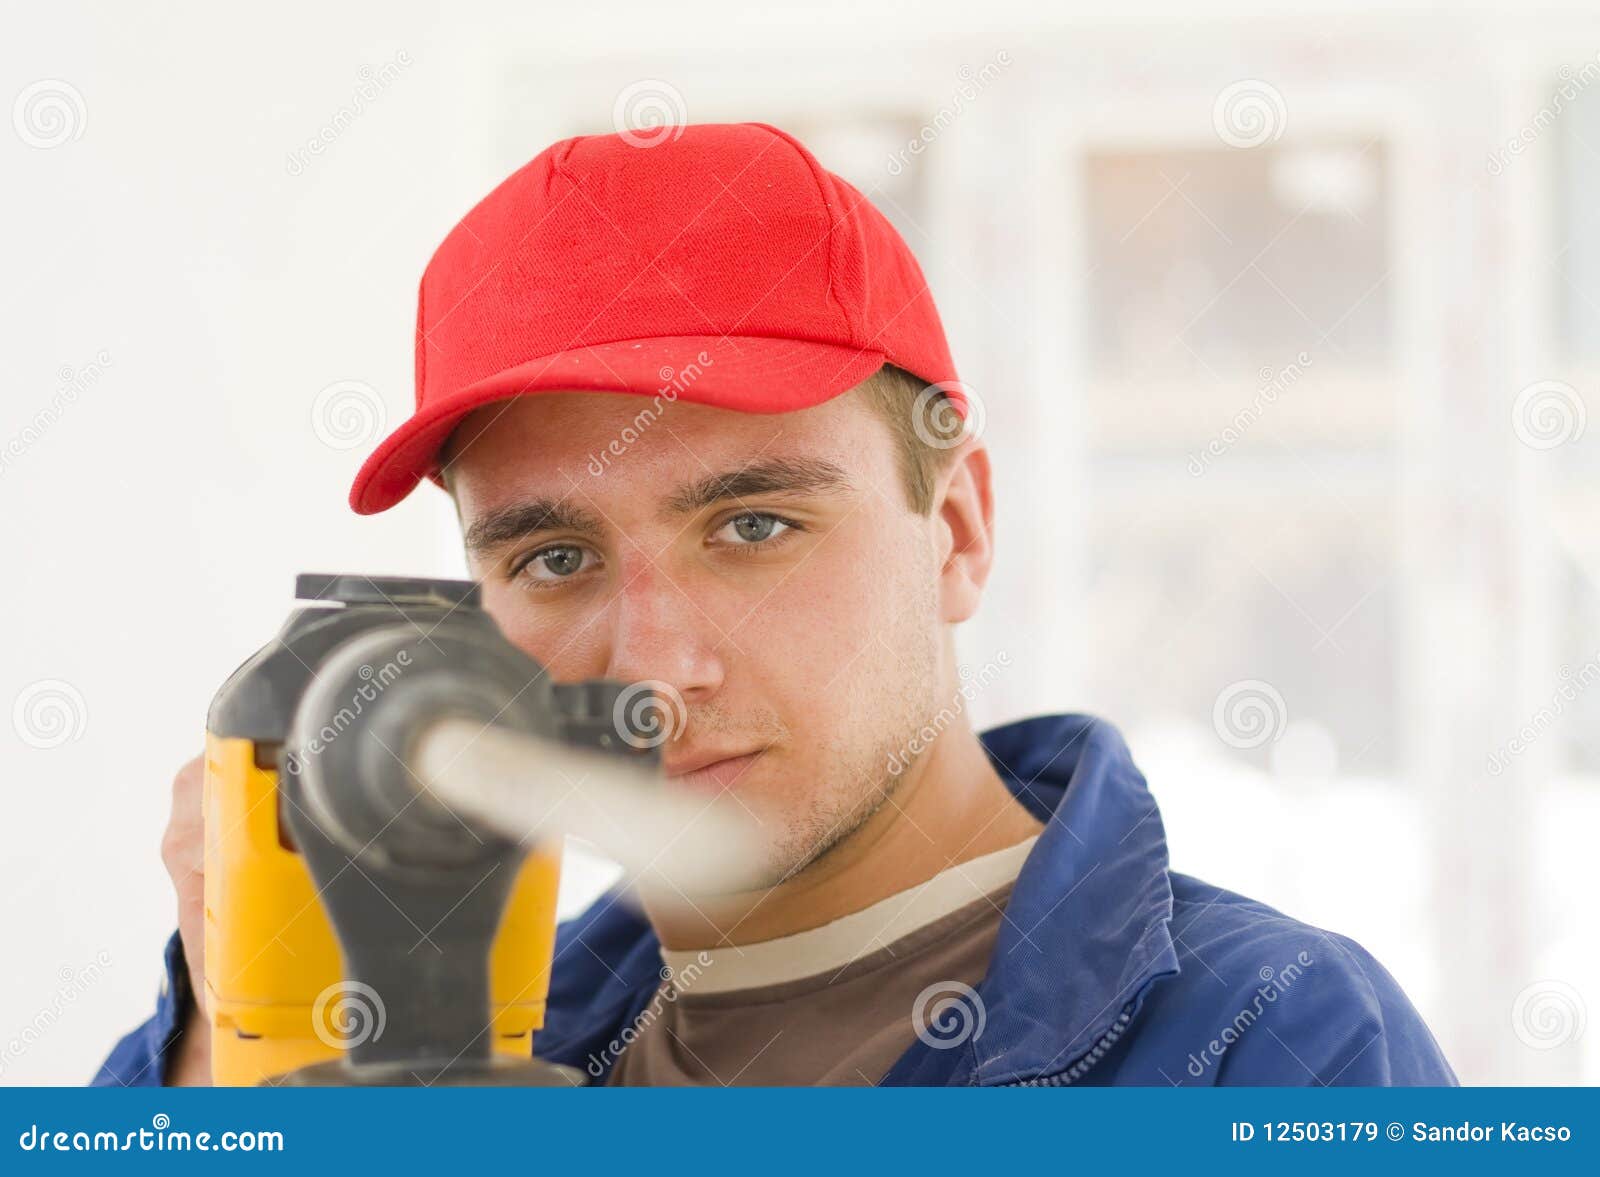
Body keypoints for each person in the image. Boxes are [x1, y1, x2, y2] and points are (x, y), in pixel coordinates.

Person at [95, 122, 1455, 1087]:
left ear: (960, 531)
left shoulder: (1273, 1045)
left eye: (754, 525)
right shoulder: (454, 1040)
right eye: (553, 558)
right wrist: (236, 1052)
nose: (653, 663)